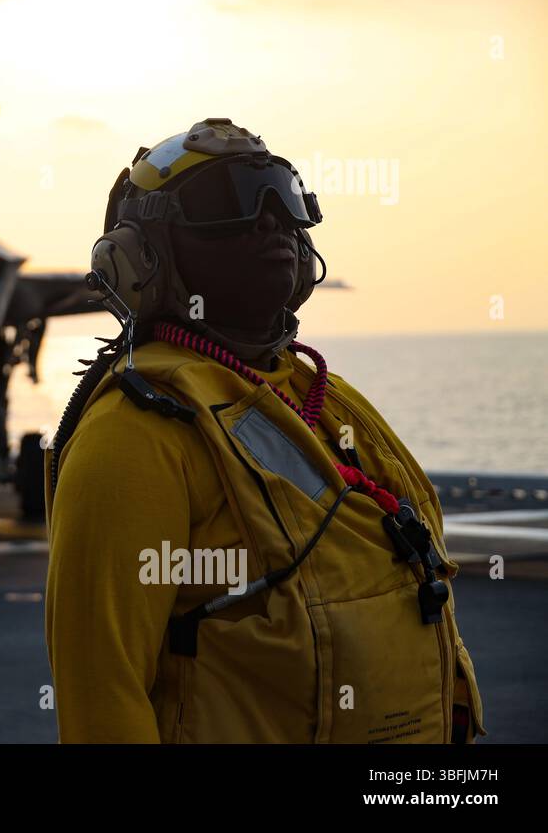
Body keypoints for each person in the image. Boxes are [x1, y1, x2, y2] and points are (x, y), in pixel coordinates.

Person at [43, 118, 484, 743]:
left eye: (284, 196)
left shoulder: (326, 399)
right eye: (227, 203)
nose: (270, 221)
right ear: (142, 257)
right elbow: (102, 696)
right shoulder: (135, 433)